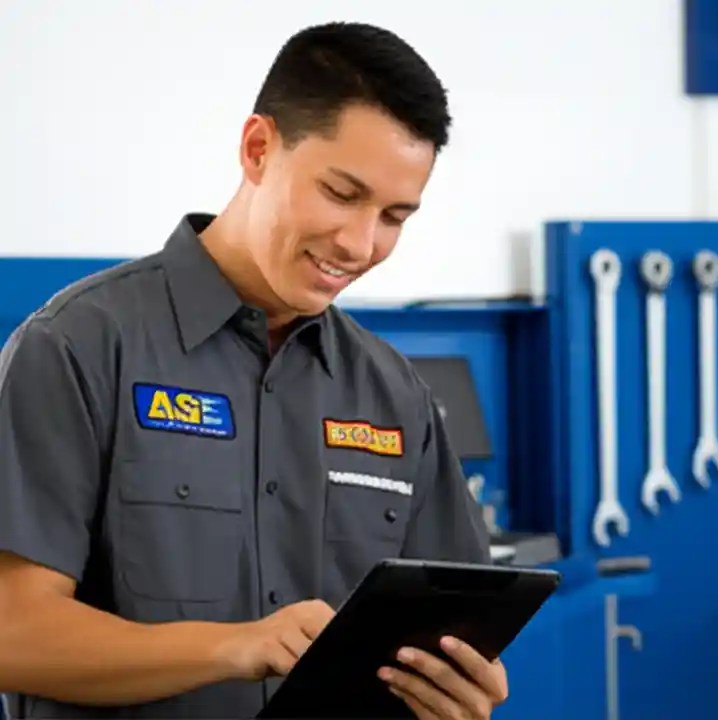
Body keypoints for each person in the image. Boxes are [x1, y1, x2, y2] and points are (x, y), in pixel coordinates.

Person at [0, 22, 508, 720]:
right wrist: (235, 647)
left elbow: (448, 639)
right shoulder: (79, 349)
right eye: (340, 193)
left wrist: (456, 694)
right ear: (258, 149)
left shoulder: (397, 396)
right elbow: (12, 631)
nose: (361, 244)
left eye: (394, 215)